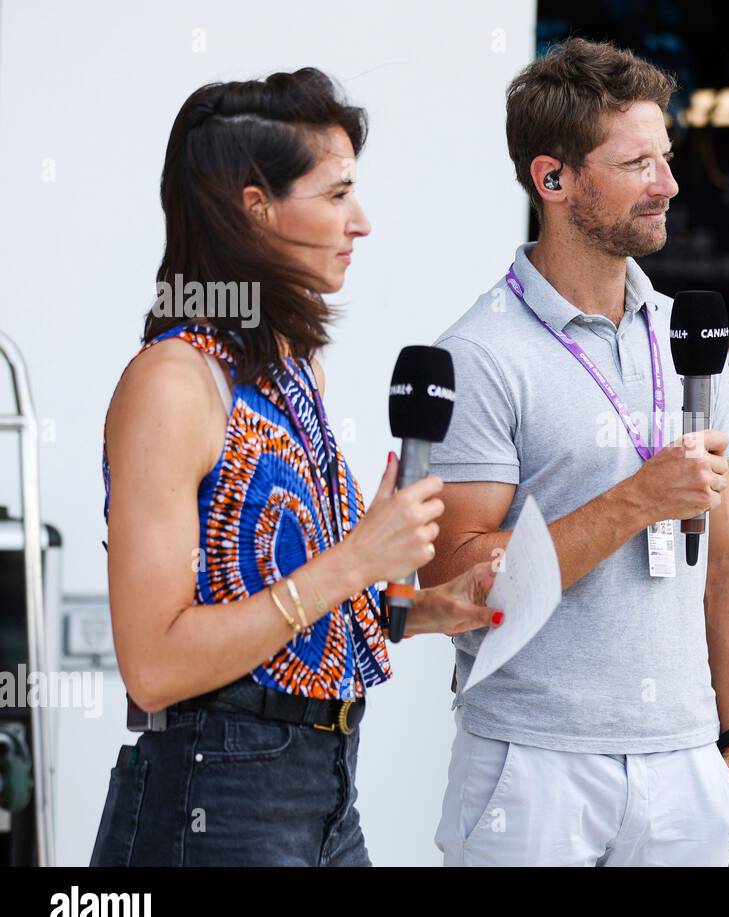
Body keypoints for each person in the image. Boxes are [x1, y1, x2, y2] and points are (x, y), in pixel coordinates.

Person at [90, 68, 500, 867]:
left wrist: (423, 611)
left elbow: (275, 614)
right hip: (215, 796)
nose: (363, 222)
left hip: (322, 788)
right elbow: (155, 665)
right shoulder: (173, 384)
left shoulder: (287, 371)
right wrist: (359, 558)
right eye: (338, 193)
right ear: (257, 207)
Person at [423, 38, 729, 867]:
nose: (669, 185)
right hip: (532, 770)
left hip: (687, 768)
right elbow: (448, 579)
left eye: (667, 157)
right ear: (554, 180)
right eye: (637, 163)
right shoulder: (480, 354)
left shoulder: (688, 339)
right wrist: (637, 501)